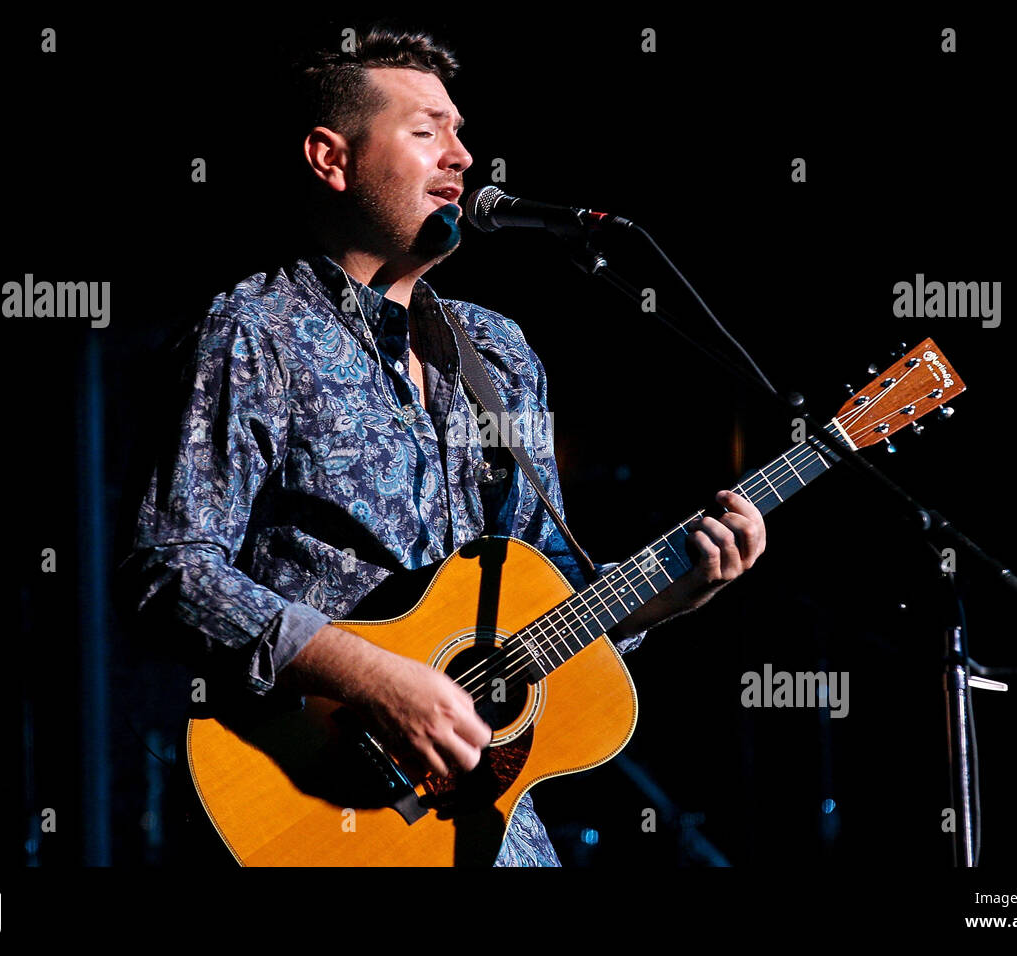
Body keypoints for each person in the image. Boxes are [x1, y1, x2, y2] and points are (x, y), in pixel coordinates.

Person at [117, 24, 765, 867]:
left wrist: (662, 597)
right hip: (318, 807)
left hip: (493, 828)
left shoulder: (499, 353)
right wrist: (372, 676)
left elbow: (544, 591)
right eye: (426, 132)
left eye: (461, 132)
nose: (461, 157)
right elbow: (171, 568)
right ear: (330, 158)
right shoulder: (254, 332)